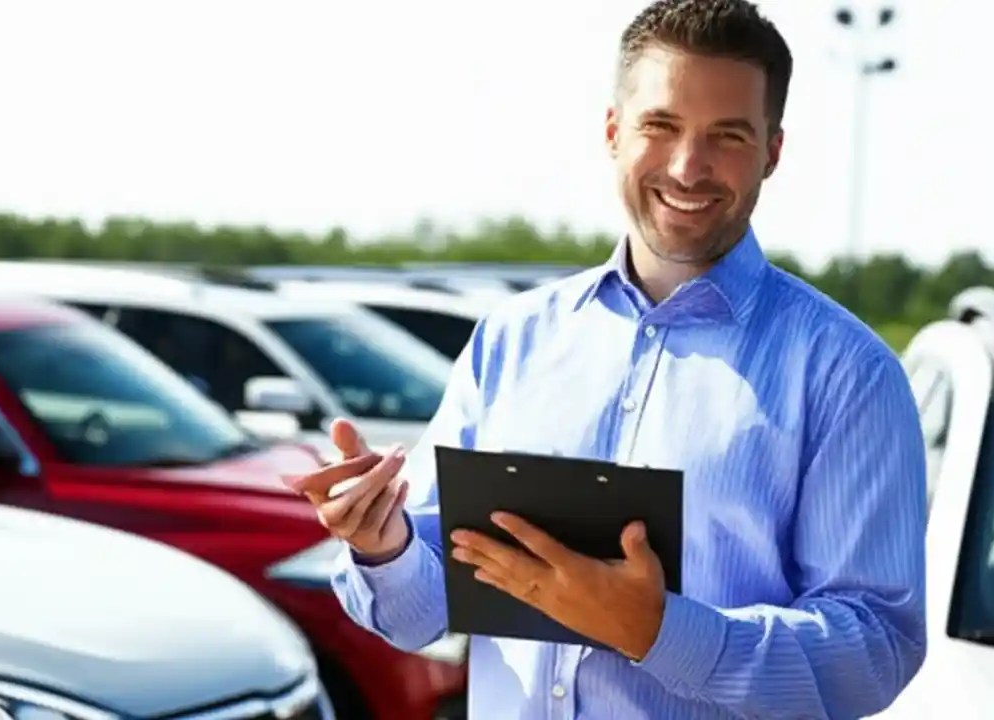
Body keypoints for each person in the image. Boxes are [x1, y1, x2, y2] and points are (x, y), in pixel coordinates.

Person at [288, 0, 928, 717]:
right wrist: (384, 546)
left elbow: (878, 650)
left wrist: (660, 631)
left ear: (772, 152)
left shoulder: (849, 375)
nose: (689, 167)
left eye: (728, 135)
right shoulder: (513, 340)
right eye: (661, 125)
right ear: (614, 131)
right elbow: (420, 613)